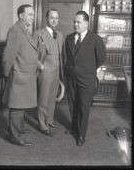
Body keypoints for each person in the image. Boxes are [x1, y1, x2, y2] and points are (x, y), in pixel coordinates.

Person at [2, 4, 43, 146]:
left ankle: (18, 128)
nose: (33, 17)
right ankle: (14, 136)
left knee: (21, 106)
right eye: (30, 14)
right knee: (17, 107)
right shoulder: (15, 31)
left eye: (33, 14)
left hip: (26, 76)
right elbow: (8, 56)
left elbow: (28, 52)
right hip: (19, 76)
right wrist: (7, 76)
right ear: (21, 16)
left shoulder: (23, 30)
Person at [64, 11, 106, 146]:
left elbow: (101, 59)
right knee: (72, 104)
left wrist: (88, 71)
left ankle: (81, 134)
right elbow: (68, 58)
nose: (75, 24)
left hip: (86, 79)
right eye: (74, 22)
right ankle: (74, 127)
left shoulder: (96, 39)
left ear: (86, 23)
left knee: (83, 106)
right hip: (71, 78)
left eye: (78, 22)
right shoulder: (69, 38)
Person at [34, 9, 64, 136]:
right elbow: (31, 54)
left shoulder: (61, 35)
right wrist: (41, 66)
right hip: (45, 70)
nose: (54, 20)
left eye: (56, 18)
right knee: (43, 98)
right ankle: (42, 125)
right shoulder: (38, 33)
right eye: (52, 17)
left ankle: (49, 120)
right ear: (47, 18)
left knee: (52, 97)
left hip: (56, 70)